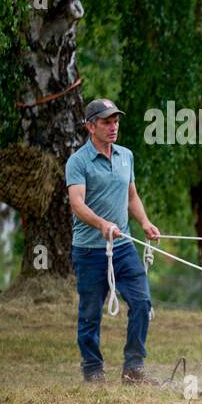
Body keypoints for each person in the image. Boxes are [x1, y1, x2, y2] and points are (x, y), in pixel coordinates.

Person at [65, 98, 160, 384]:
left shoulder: (125, 156)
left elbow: (131, 196)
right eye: (106, 121)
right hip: (90, 251)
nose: (113, 126)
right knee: (90, 315)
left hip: (123, 246)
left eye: (115, 120)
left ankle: (133, 368)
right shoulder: (78, 162)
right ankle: (93, 370)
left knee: (142, 303)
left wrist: (144, 223)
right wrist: (102, 224)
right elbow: (77, 205)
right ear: (90, 126)